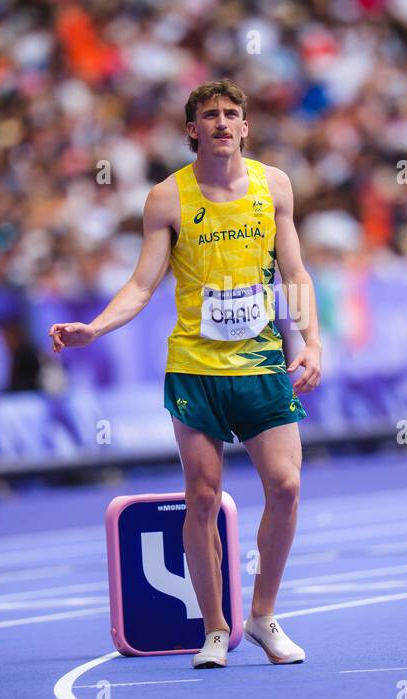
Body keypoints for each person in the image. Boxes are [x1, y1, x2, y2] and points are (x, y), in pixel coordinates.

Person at [50, 80, 322, 667]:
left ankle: (264, 615)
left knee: (288, 485)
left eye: (232, 114)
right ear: (192, 130)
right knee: (201, 497)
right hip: (196, 368)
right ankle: (216, 629)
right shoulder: (167, 199)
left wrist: (313, 342)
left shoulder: (275, 186)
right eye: (210, 116)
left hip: (261, 362)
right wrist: (95, 328)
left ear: (246, 127)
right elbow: (143, 284)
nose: (222, 123)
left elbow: (294, 272)